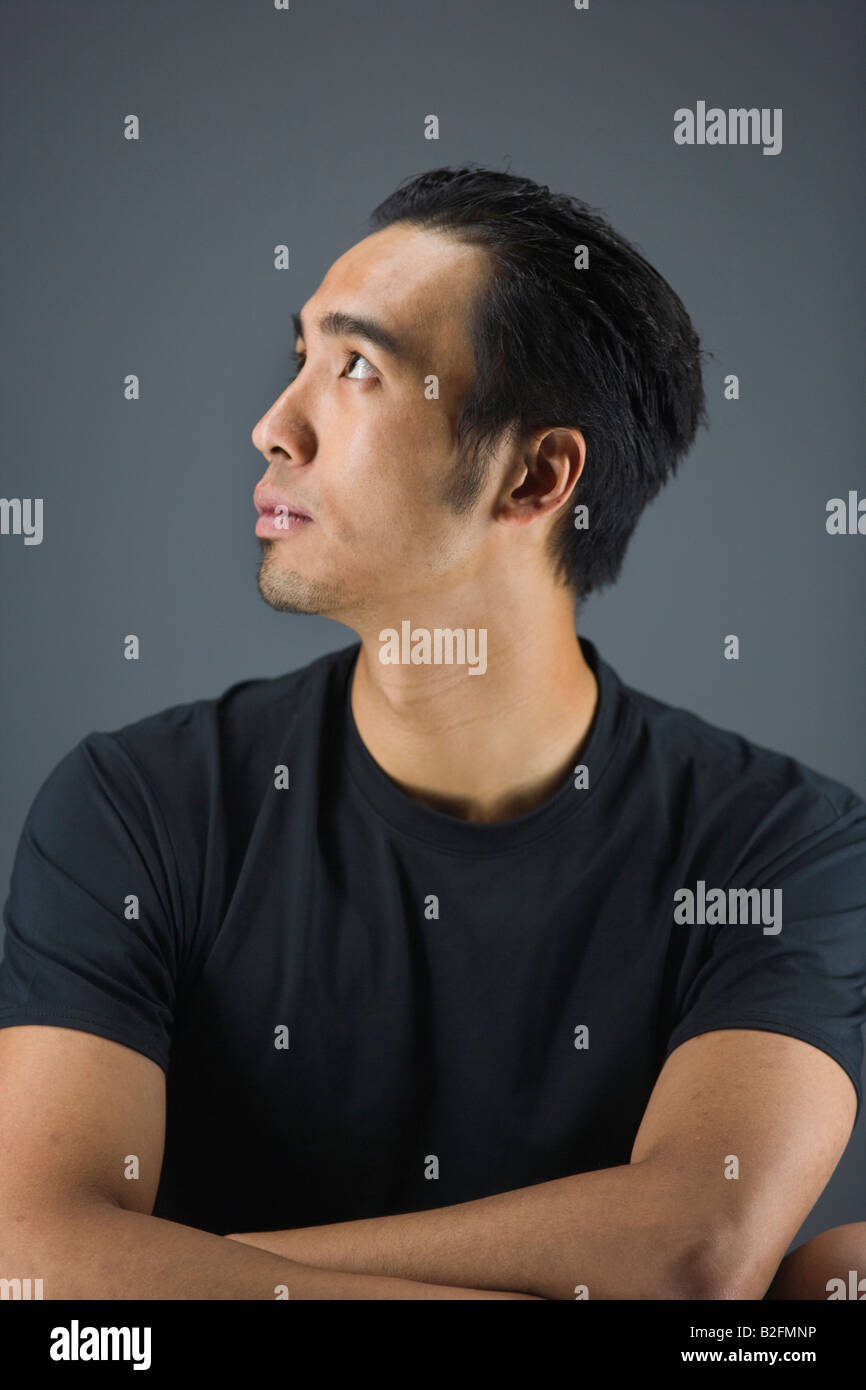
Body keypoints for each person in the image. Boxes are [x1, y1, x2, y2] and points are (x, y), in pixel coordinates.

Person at [1, 165, 864, 1301]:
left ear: (535, 476)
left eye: (355, 367)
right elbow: (33, 1264)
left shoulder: (780, 844)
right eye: (299, 354)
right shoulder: (139, 803)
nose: (272, 425)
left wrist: (176, 1273)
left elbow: (692, 1250)